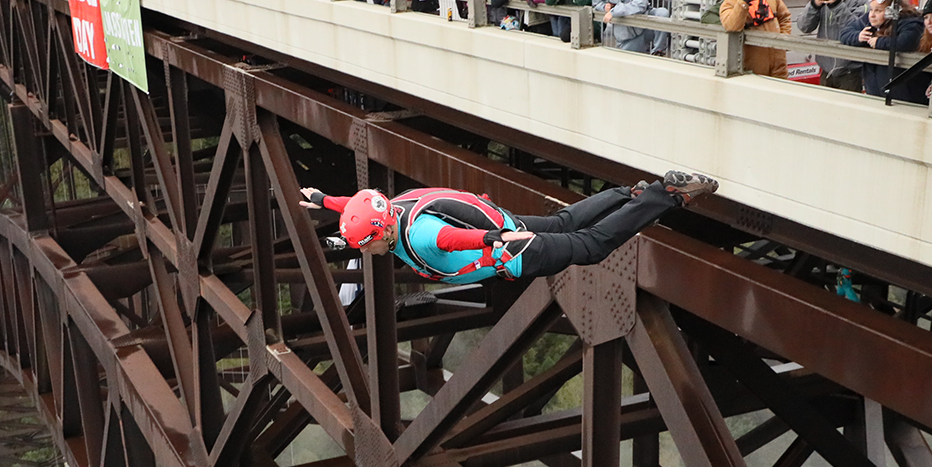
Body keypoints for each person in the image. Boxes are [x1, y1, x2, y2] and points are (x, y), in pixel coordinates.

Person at [297, 174, 718, 283]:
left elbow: (450, 239)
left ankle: (665, 195)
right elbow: (356, 205)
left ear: (381, 235)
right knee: (565, 221)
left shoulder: (419, 237)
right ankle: (628, 193)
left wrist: (494, 239)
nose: (362, 252)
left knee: (590, 246)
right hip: (505, 225)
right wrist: (324, 200)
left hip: (513, 251)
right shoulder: (392, 208)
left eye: (364, 246)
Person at [800, 0, 870, 89]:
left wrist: (837, 5)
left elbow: (856, 30)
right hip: (825, 70)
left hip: (850, 73)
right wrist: (814, 5)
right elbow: (804, 27)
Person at [840, 0, 924, 100]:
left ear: (891, 12)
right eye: (871, 10)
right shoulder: (868, 21)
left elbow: (905, 41)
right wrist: (858, 36)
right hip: (874, 90)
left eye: (878, 10)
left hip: (901, 92)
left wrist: (879, 42)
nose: (872, 15)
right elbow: (845, 33)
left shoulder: (910, 22)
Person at [719, 0, 792, 78]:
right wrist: (744, 1)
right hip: (753, 66)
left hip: (779, 63)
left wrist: (783, 42)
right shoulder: (729, 4)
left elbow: (784, 17)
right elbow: (731, 26)